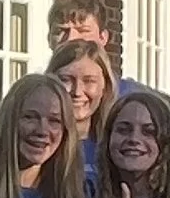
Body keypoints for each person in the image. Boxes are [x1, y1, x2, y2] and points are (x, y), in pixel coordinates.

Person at [45, 39, 116, 178]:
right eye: (66, 79)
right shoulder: (36, 144)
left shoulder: (114, 148)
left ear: (105, 87)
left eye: (89, 81)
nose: (77, 92)